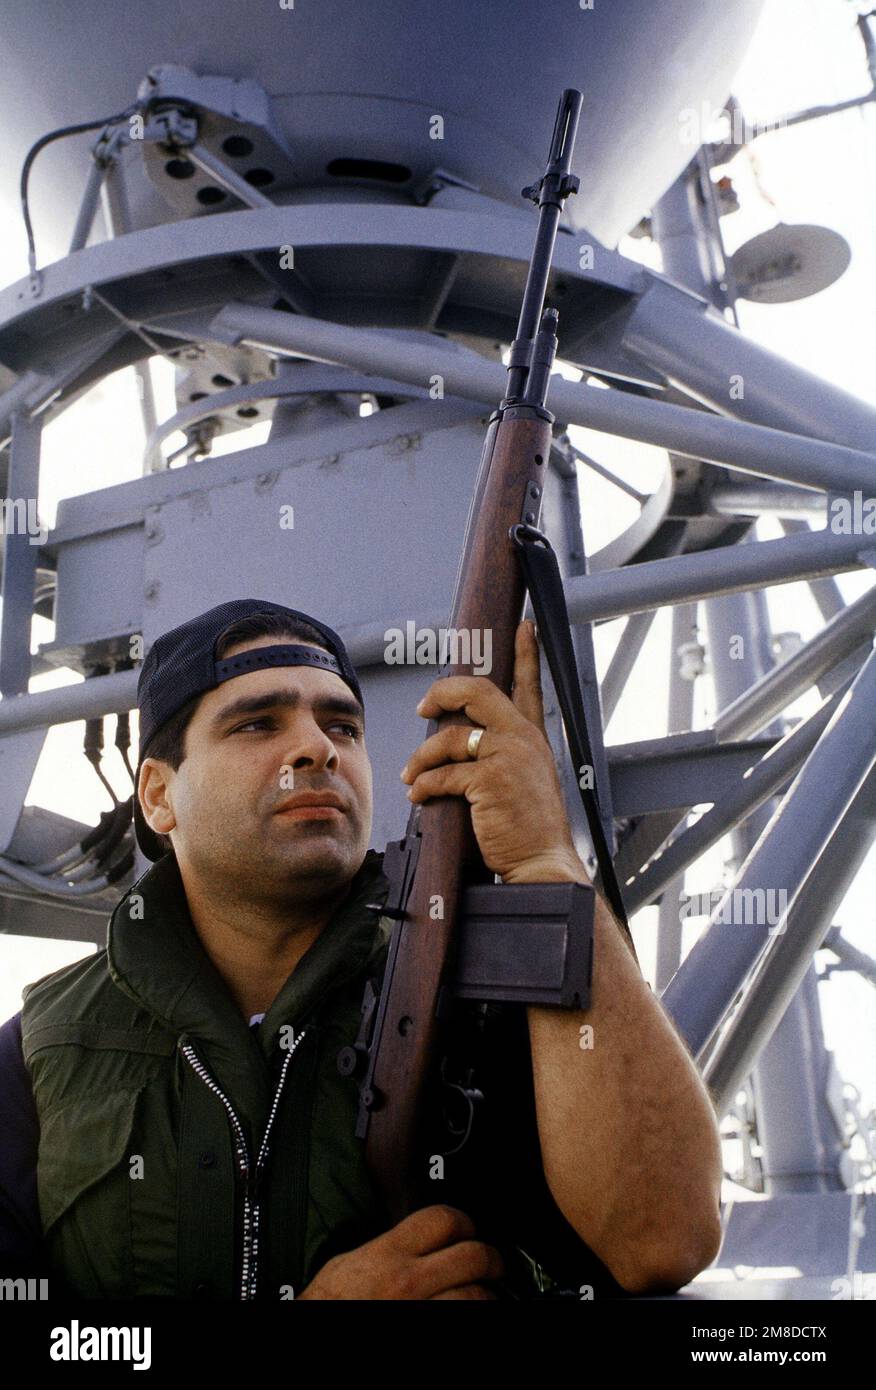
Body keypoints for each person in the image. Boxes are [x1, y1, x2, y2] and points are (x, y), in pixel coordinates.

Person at [0, 598, 723, 1300]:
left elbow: (663, 1242)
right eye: (256, 724)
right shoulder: (42, 1047)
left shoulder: (494, 1002)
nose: (318, 747)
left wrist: (544, 862)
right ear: (158, 796)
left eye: (342, 727)